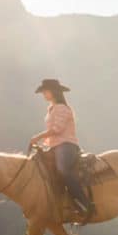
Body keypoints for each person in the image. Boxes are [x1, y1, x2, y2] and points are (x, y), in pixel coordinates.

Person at [29, 79, 94, 219]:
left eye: (46, 91)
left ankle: (86, 204)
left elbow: (57, 129)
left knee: (63, 169)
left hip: (66, 145)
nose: (44, 94)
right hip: (55, 146)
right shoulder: (52, 109)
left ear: (54, 92)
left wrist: (38, 137)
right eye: (43, 92)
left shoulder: (62, 108)